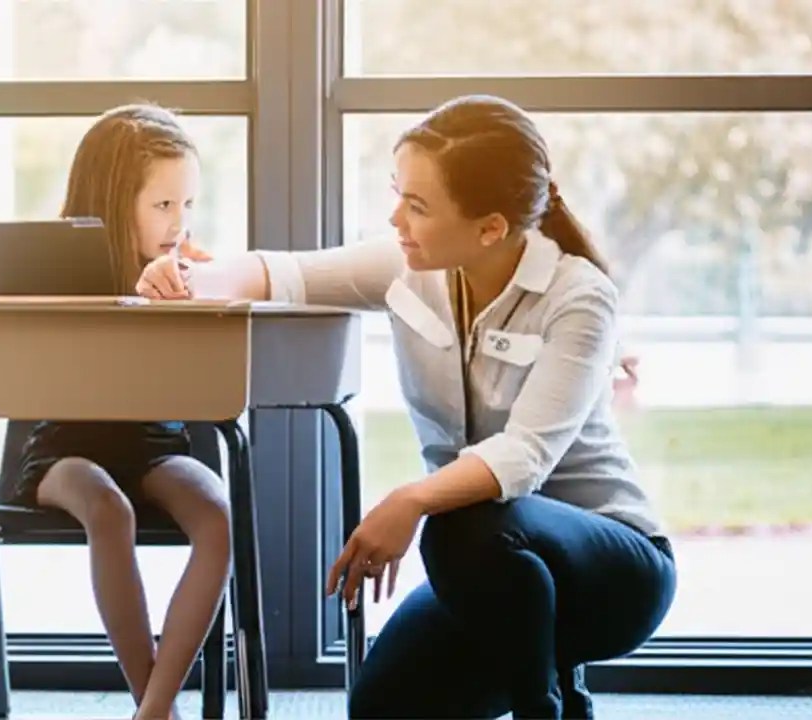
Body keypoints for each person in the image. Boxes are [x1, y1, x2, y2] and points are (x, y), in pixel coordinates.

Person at [137, 94, 677, 719]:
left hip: (613, 575)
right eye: (398, 193)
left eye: (417, 206)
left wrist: (409, 500)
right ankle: (550, 672)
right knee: (381, 708)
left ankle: (548, 708)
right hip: (492, 571)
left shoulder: (579, 296)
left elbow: (525, 456)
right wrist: (180, 278)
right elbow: (280, 273)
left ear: (491, 228)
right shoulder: (411, 266)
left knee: (461, 521)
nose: (396, 218)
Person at [0, 104, 226, 720]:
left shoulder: (189, 270)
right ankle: (161, 711)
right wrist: (18, 278)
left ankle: (153, 709)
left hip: (157, 447)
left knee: (218, 516)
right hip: (61, 454)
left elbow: (232, 294)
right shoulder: (60, 260)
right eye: (164, 205)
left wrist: (191, 281)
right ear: (117, 199)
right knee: (107, 508)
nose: (180, 222)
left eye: (188, 204)